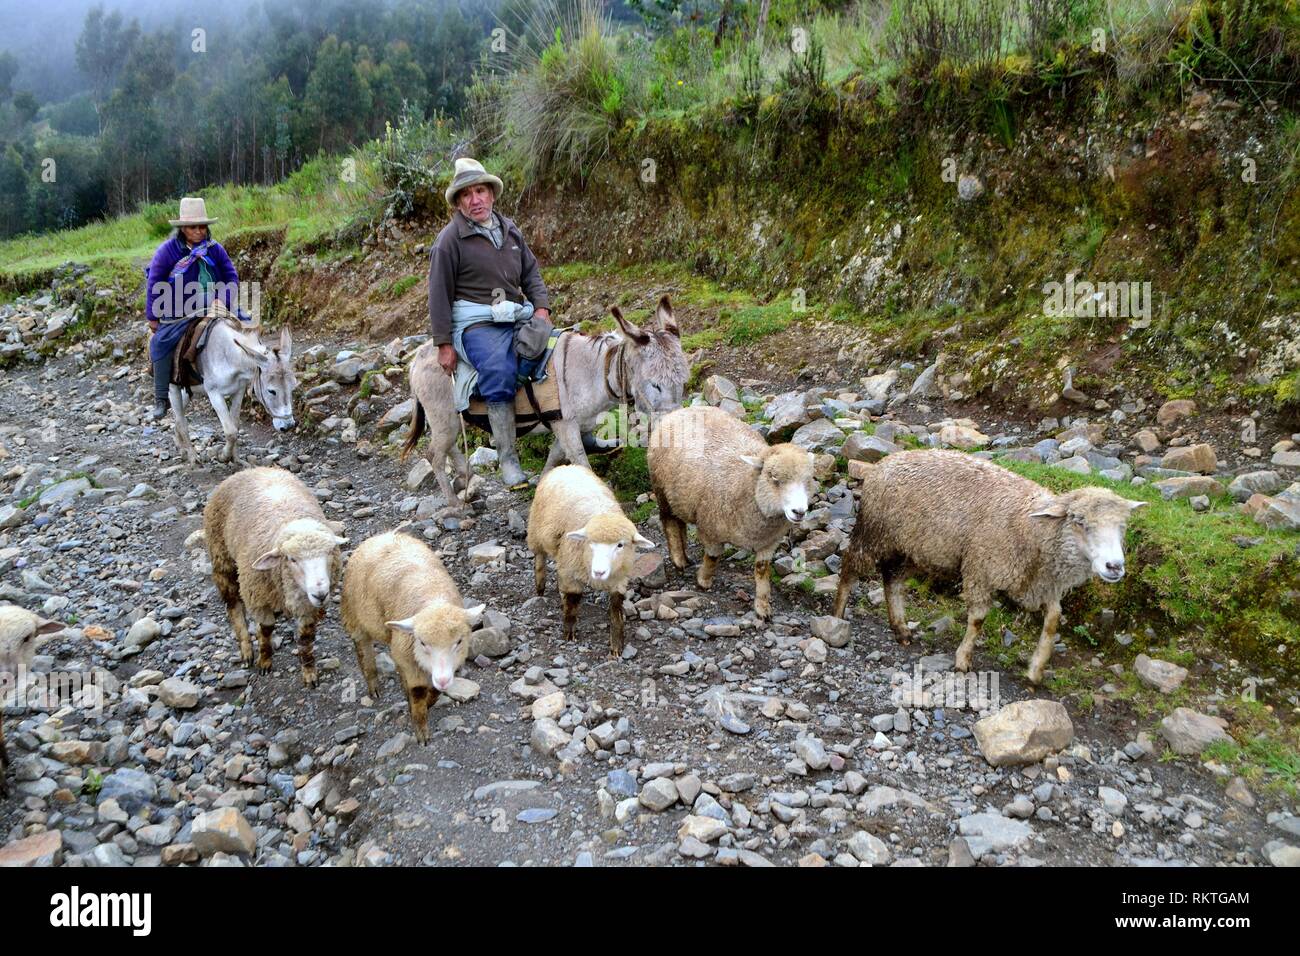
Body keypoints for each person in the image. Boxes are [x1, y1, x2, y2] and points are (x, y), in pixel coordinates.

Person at [427, 158, 552, 488]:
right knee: (497, 368)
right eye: (466, 195)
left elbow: (532, 274)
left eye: (480, 191)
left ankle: (576, 429)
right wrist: (443, 344)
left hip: (515, 314)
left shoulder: (509, 229)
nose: (475, 200)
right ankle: (508, 457)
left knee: (555, 348)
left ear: (492, 194)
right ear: (458, 202)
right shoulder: (449, 240)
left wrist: (541, 309)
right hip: (476, 323)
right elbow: (438, 294)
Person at [144, 197, 240, 420]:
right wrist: (153, 316)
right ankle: (161, 398)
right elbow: (154, 284)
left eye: (202, 226)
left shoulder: (215, 250)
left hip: (213, 307)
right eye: (193, 227)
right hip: (179, 310)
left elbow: (231, 277)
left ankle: (249, 379)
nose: (199, 231)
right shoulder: (167, 251)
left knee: (243, 333)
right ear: (182, 229)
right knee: (160, 343)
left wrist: (222, 300)